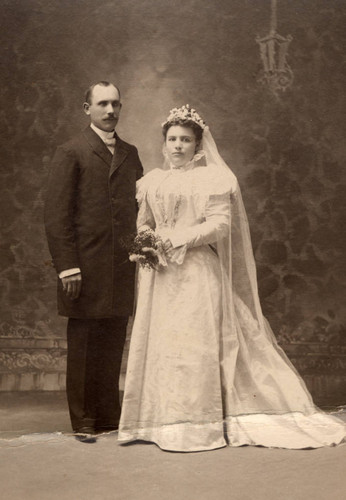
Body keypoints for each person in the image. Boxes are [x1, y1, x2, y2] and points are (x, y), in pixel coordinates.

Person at [118, 105, 346, 452]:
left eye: (186, 140)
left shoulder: (213, 179)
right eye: (172, 139)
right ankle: (157, 424)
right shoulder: (151, 181)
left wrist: (176, 238)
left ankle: (194, 430)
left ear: (198, 145)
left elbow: (220, 226)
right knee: (163, 345)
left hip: (195, 272)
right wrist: (145, 243)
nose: (178, 146)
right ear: (164, 143)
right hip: (159, 277)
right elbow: (145, 221)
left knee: (193, 346)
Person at [44, 81, 143, 439]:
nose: (110, 111)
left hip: (120, 266)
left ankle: (107, 415)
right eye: (102, 104)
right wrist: (67, 266)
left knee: (112, 340)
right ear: (86, 108)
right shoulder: (71, 151)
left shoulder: (130, 154)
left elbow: (139, 209)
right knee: (84, 345)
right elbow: (56, 216)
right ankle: (84, 418)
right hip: (83, 267)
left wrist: (143, 248)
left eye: (115, 104)